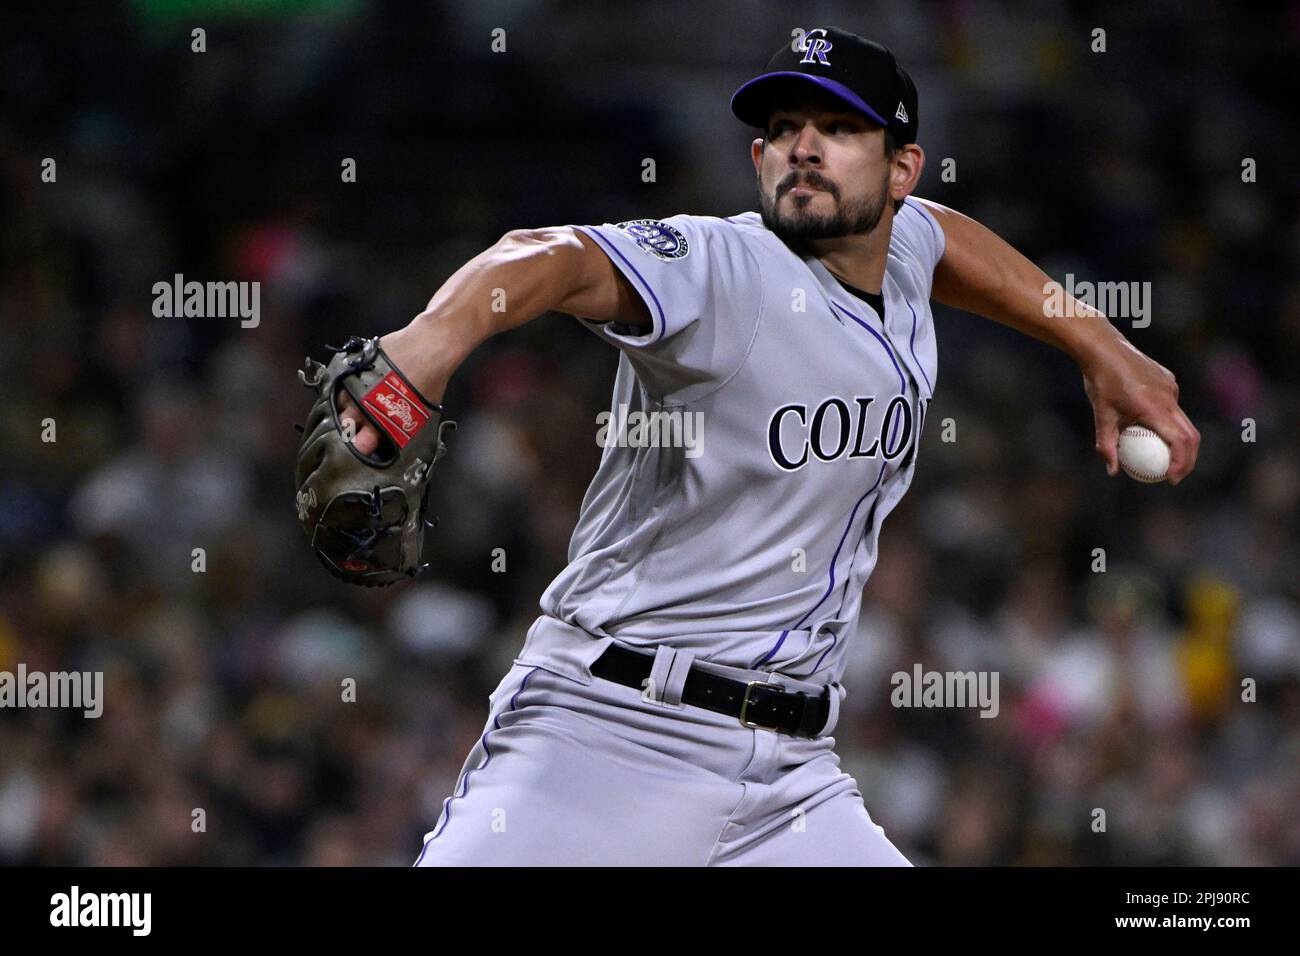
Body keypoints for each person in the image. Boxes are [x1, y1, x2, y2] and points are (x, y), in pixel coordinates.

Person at [340, 27, 1199, 865]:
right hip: (608, 736)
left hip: (790, 780)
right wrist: (424, 350)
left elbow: (945, 240)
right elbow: (546, 258)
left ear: (902, 169)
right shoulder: (725, 270)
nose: (804, 148)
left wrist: (1098, 342)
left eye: (839, 128)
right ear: (757, 163)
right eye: (784, 130)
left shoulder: (902, 256)